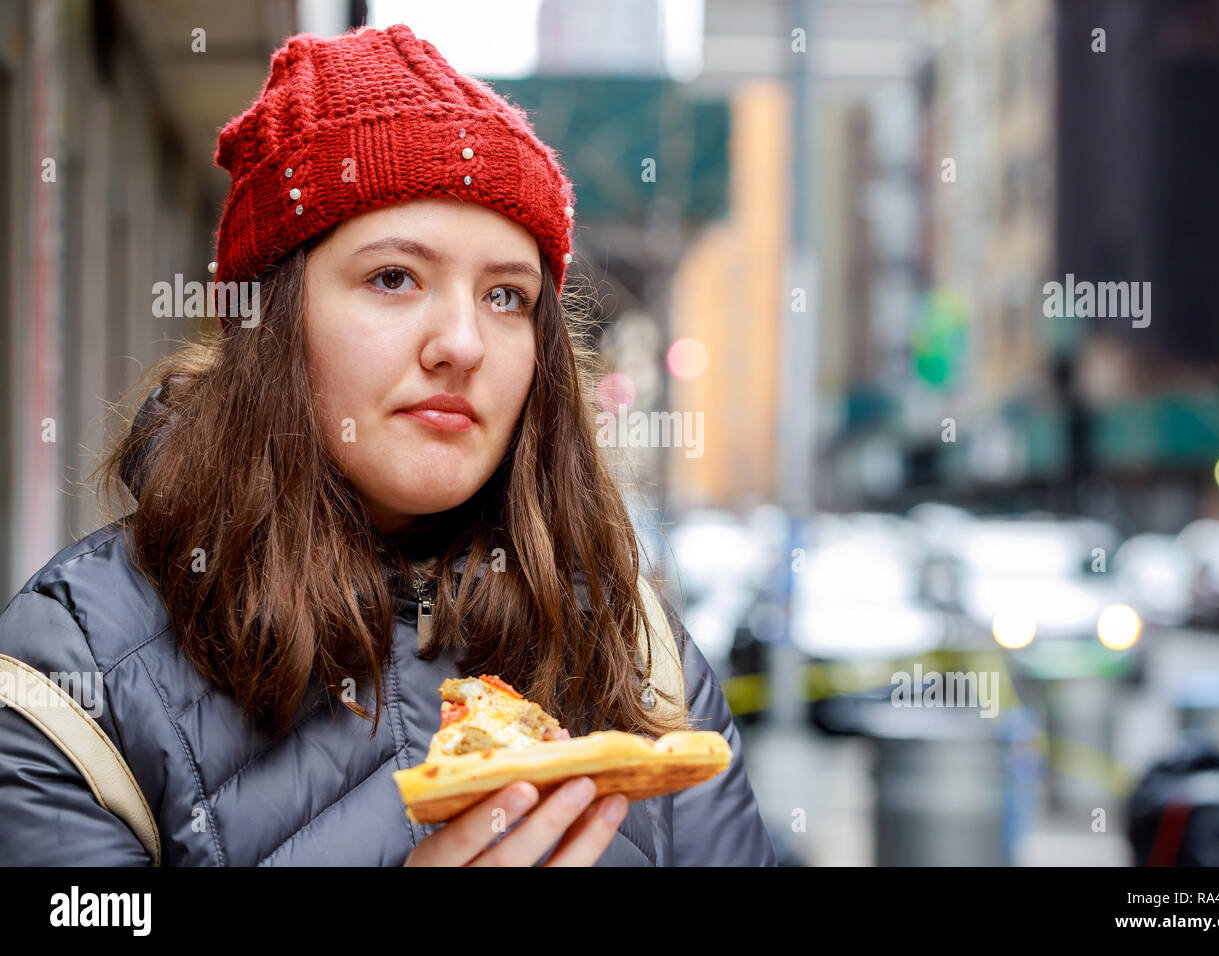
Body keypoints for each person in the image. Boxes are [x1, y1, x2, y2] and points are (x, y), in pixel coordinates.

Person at [0, 23, 776, 867]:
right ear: (270, 321)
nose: (463, 343)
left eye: (507, 297)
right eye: (394, 278)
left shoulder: (638, 654)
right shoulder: (73, 680)